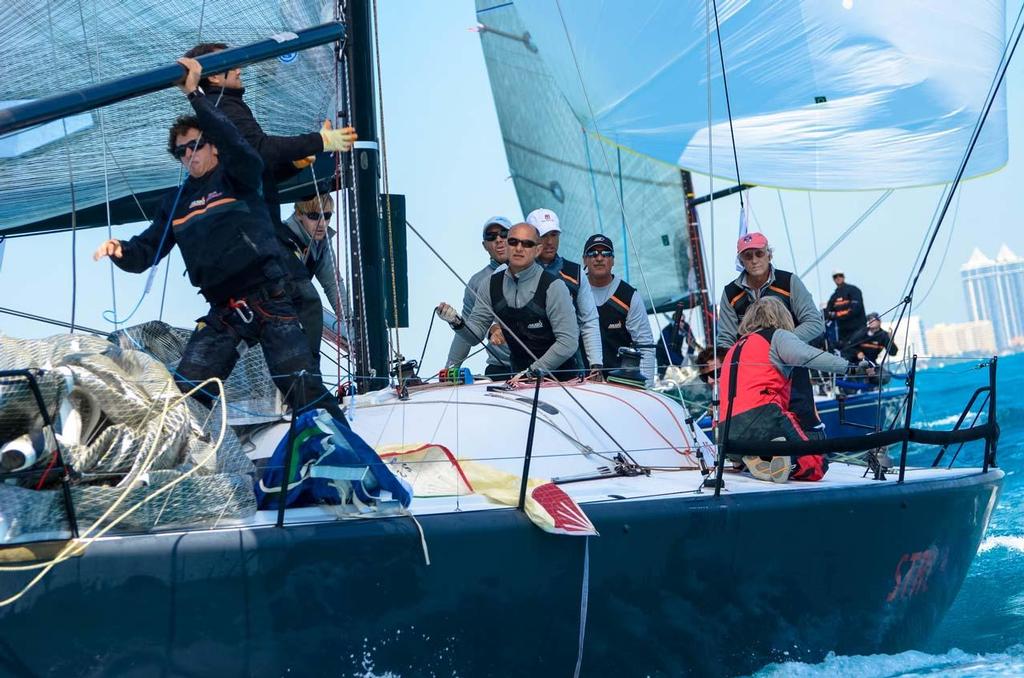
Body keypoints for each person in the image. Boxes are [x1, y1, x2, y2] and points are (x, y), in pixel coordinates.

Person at [93, 57, 343, 422]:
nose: (188, 155)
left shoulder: (240, 174)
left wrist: (195, 94)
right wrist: (120, 251)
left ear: (213, 146)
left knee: (301, 386)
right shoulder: (176, 203)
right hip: (224, 311)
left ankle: (338, 448)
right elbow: (145, 252)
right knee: (188, 393)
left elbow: (236, 140)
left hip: (269, 297)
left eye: (195, 145)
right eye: (180, 152)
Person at [183, 42, 357, 356]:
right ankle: (309, 389)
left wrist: (296, 162)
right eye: (231, 65)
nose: (239, 69)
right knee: (302, 302)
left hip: (241, 238)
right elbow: (260, 149)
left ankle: (205, 374)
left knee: (254, 318)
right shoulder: (222, 105)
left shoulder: (222, 105)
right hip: (250, 237)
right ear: (216, 78)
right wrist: (320, 141)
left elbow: (254, 171)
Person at [718, 298, 849, 483]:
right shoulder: (776, 336)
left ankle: (756, 458)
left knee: (767, 442)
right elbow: (805, 355)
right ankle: (789, 461)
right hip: (764, 418)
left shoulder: (735, 348)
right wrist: (848, 367)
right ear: (782, 316)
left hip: (727, 432)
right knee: (817, 466)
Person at [435, 222, 579, 383]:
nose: (519, 248)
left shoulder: (554, 286)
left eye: (527, 244)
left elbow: (568, 342)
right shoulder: (490, 285)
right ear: (507, 245)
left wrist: (531, 373)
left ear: (537, 250)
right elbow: (475, 336)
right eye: (513, 242)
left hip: (563, 382)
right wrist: (456, 322)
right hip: (518, 380)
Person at [717, 232, 827, 439]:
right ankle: (758, 459)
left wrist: (778, 345)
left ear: (769, 255)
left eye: (759, 253)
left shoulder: (789, 282)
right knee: (753, 423)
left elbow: (814, 323)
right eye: (747, 256)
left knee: (803, 417)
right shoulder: (730, 293)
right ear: (741, 260)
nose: (754, 260)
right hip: (751, 374)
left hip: (791, 368)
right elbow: (725, 340)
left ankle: (809, 461)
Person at [525, 208, 604, 380]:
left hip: (569, 367)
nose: (549, 241)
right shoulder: (512, 272)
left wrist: (596, 365)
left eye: (554, 235)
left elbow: (589, 320)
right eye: (543, 235)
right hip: (525, 367)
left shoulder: (575, 272)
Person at [280, 194, 352, 360]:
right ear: (299, 214)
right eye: (314, 216)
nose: (322, 224)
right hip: (266, 315)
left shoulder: (321, 243)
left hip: (291, 314)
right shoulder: (283, 238)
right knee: (310, 306)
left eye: (327, 216)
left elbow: (333, 284)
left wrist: (351, 327)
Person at [445, 217, 514, 379]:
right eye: (491, 236)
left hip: (540, 367)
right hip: (500, 368)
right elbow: (466, 332)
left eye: (504, 233)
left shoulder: (535, 273)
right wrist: (449, 370)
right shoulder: (476, 282)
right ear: (485, 245)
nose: (499, 239)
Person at [582, 234, 655, 383]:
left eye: (606, 253)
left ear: (613, 260)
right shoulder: (573, 292)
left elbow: (645, 345)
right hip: (581, 383)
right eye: (593, 253)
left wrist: (647, 386)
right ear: (584, 260)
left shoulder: (628, 296)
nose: (599, 258)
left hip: (621, 384)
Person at [825, 269, 866, 348]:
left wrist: (836, 315)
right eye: (835, 276)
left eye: (840, 275)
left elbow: (855, 309)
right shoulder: (834, 296)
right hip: (843, 332)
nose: (838, 278)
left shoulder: (853, 290)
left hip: (858, 329)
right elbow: (827, 312)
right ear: (833, 279)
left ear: (843, 277)